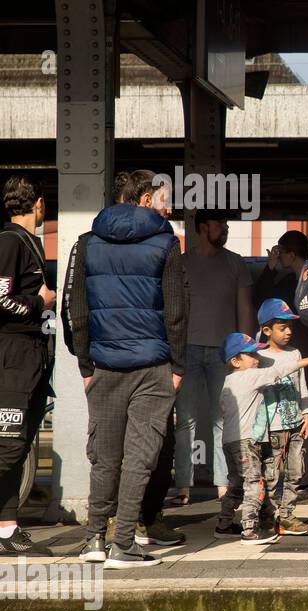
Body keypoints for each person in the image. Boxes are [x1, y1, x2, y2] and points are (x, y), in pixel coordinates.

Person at [65, 169, 190, 568]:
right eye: (164, 197)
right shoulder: (166, 242)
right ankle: (125, 544)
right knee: (140, 456)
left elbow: (76, 310)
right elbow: (176, 310)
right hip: (154, 364)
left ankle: (92, 540)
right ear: (146, 197)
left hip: (103, 363)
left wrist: (86, 362)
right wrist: (178, 365)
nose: (168, 206)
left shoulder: (86, 243)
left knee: (104, 455)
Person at [170, 210, 254, 507]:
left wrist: (243, 350)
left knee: (223, 420)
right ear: (204, 228)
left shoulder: (236, 263)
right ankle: (182, 485)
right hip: (188, 350)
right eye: (221, 224)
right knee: (186, 422)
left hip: (225, 353)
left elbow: (244, 309)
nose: (226, 228)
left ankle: (223, 484)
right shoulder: (181, 264)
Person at [214, 332, 308, 544]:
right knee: (254, 483)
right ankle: (250, 530)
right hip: (247, 442)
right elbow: (279, 370)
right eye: (250, 354)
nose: (257, 358)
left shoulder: (228, 382)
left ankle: (224, 524)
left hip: (230, 442)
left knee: (237, 484)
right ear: (236, 361)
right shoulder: (248, 376)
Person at [0, 176, 57, 555]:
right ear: (38, 204)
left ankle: (7, 528)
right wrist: (41, 303)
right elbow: (1, 299)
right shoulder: (9, 241)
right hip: (13, 356)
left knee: (18, 447)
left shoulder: (28, 243)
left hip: (33, 356)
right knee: (6, 444)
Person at [253, 229, 308, 503]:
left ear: (290, 254)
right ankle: (301, 481)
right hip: (298, 355)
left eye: (280, 251)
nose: (277, 255)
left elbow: (260, 298)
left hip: (302, 356)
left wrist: (271, 269)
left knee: (300, 418)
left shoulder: (301, 283)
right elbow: (261, 302)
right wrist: (271, 268)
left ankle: (303, 481)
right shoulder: (304, 282)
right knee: (294, 417)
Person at [255, 299, 308, 534]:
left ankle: (288, 514)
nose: (289, 332)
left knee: (296, 471)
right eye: (283, 327)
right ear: (267, 330)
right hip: (272, 427)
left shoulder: (295, 353)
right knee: (270, 472)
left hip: (296, 423)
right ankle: (268, 514)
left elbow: (302, 386)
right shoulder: (259, 357)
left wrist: (307, 413)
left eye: (291, 326)